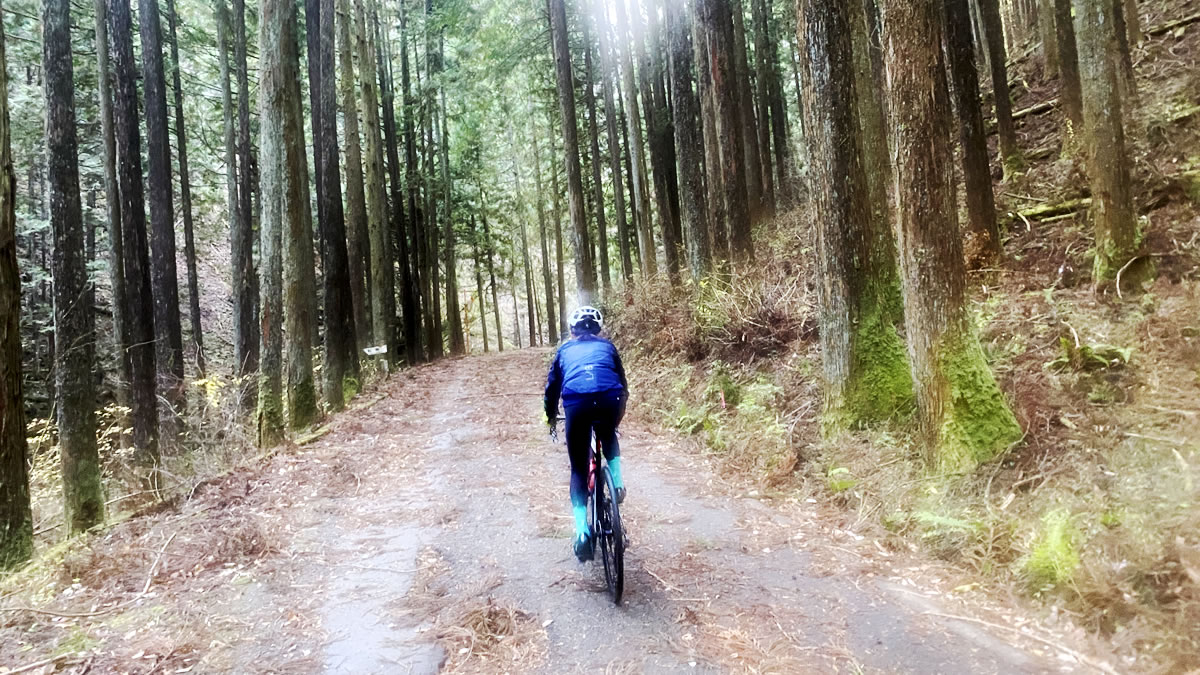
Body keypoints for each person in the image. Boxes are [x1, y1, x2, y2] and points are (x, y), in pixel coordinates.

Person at [544, 305, 628, 562]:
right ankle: (618, 482)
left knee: (579, 470)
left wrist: (550, 416)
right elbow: (622, 383)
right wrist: (616, 417)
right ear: (599, 329)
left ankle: (582, 532)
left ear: (572, 330)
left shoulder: (564, 350)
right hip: (611, 399)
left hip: (576, 404)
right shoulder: (608, 347)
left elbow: (551, 389)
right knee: (608, 431)